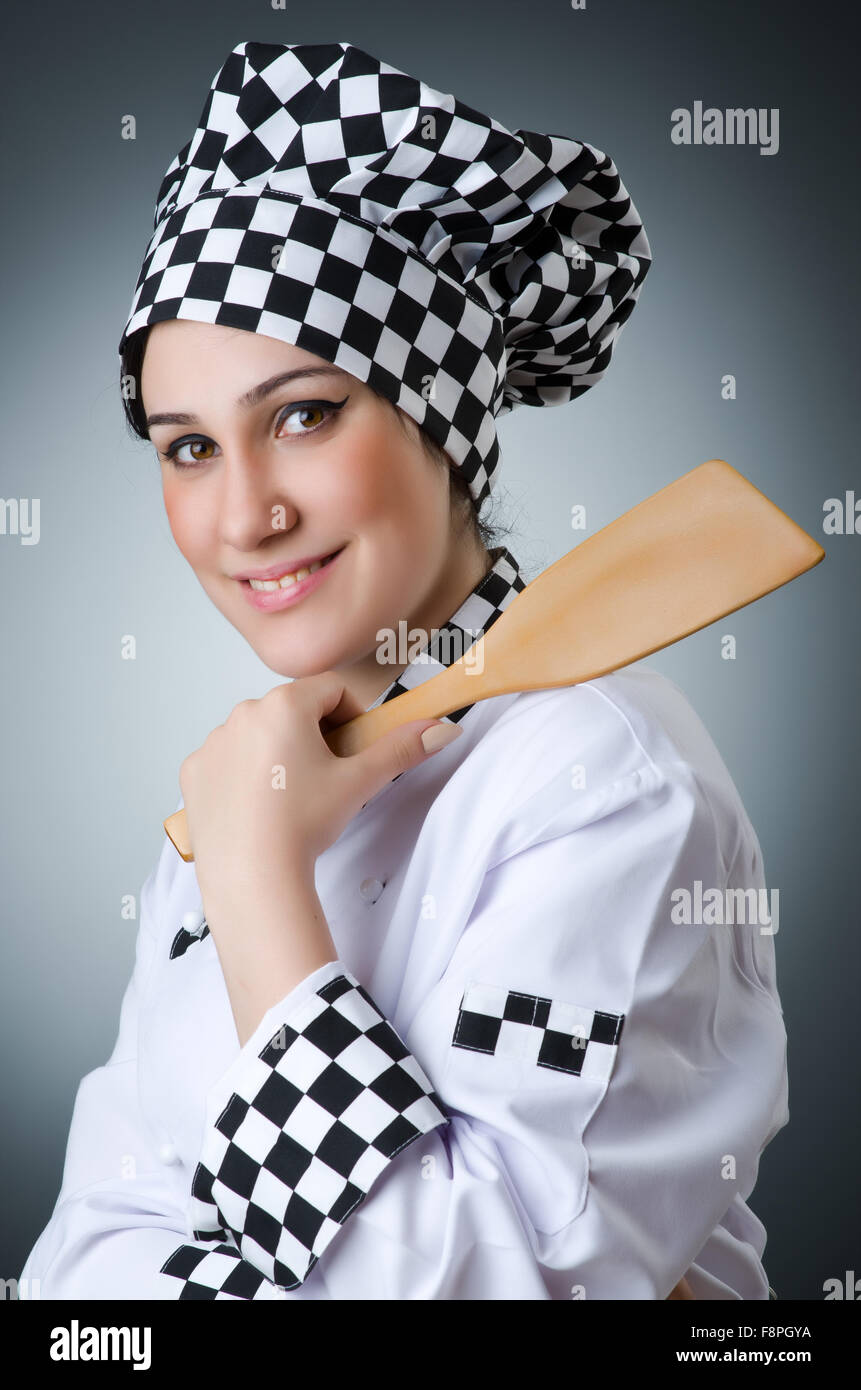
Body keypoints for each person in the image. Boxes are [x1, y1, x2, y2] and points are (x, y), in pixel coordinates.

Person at [20, 39, 787, 1300]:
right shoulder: (238, 790)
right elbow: (78, 1281)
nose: (243, 515)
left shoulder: (603, 784)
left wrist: (264, 887)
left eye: (304, 416)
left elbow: (473, 1291)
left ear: (447, 425)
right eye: (188, 447)